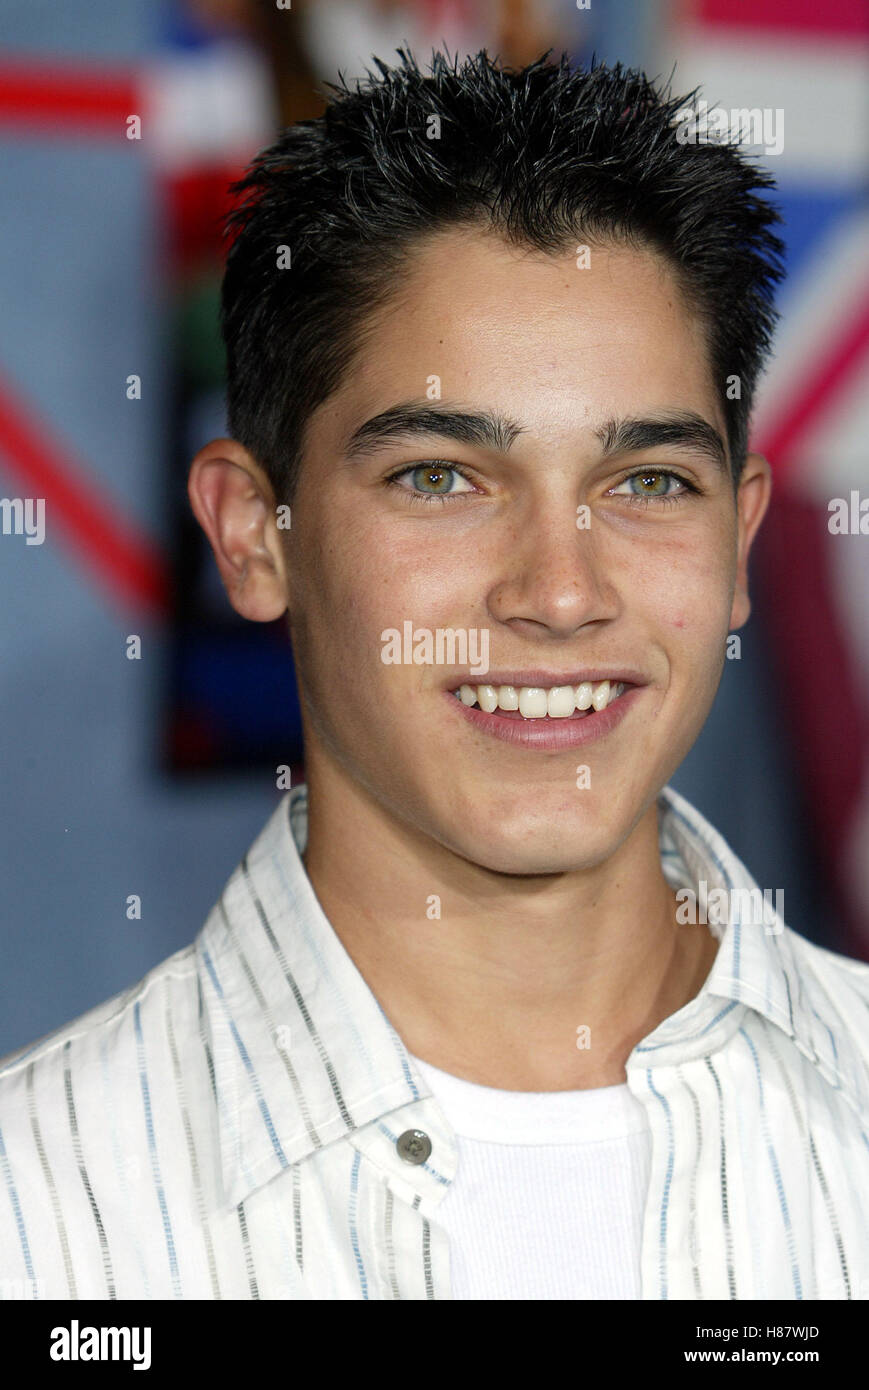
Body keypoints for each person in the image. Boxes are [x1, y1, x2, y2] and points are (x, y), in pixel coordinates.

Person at [1, 49, 867, 1302]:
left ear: (736, 543)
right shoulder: (36, 1212)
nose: (561, 593)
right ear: (254, 533)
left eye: (645, 483)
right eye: (440, 478)